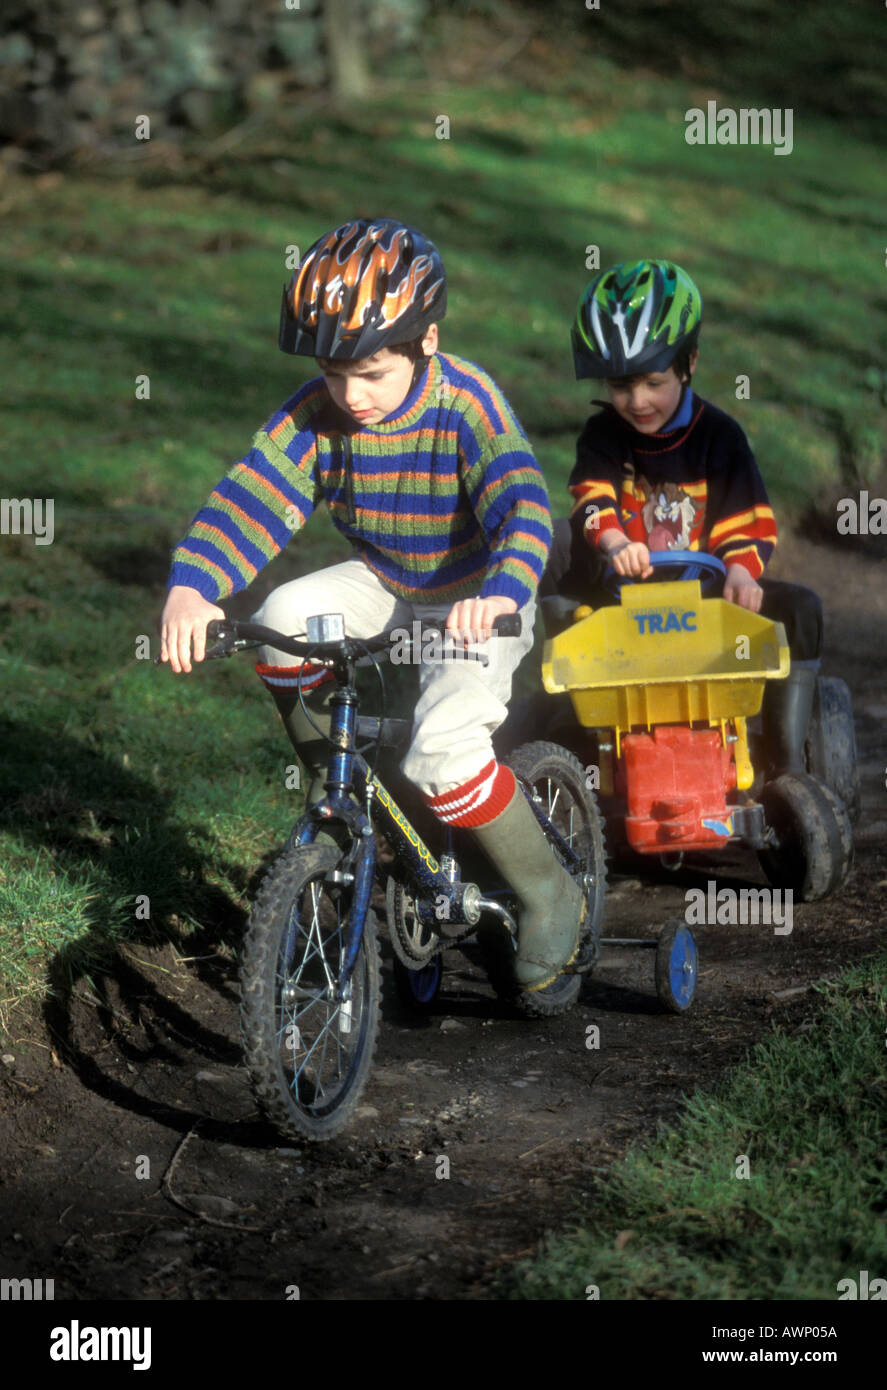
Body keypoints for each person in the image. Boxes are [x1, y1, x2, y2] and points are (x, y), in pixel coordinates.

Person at [159, 217, 585, 991]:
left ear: (426, 342)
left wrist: (498, 592)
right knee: (284, 617)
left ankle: (549, 893)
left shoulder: (466, 403)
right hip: (387, 583)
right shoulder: (318, 415)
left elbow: (521, 507)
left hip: (480, 595)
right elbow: (255, 496)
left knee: (445, 750)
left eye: (372, 374)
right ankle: (342, 796)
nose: (351, 397)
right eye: (333, 374)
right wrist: (194, 585)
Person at [543, 258, 823, 777]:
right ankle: (549, 739)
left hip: (709, 608)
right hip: (620, 605)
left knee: (801, 609)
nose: (637, 401)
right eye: (621, 387)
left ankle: (785, 767)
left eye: (653, 382)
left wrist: (740, 569)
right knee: (545, 557)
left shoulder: (721, 437)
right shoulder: (603, 436)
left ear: (688, 363)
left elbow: (747, 517)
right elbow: (593, 499)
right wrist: (612, 544)